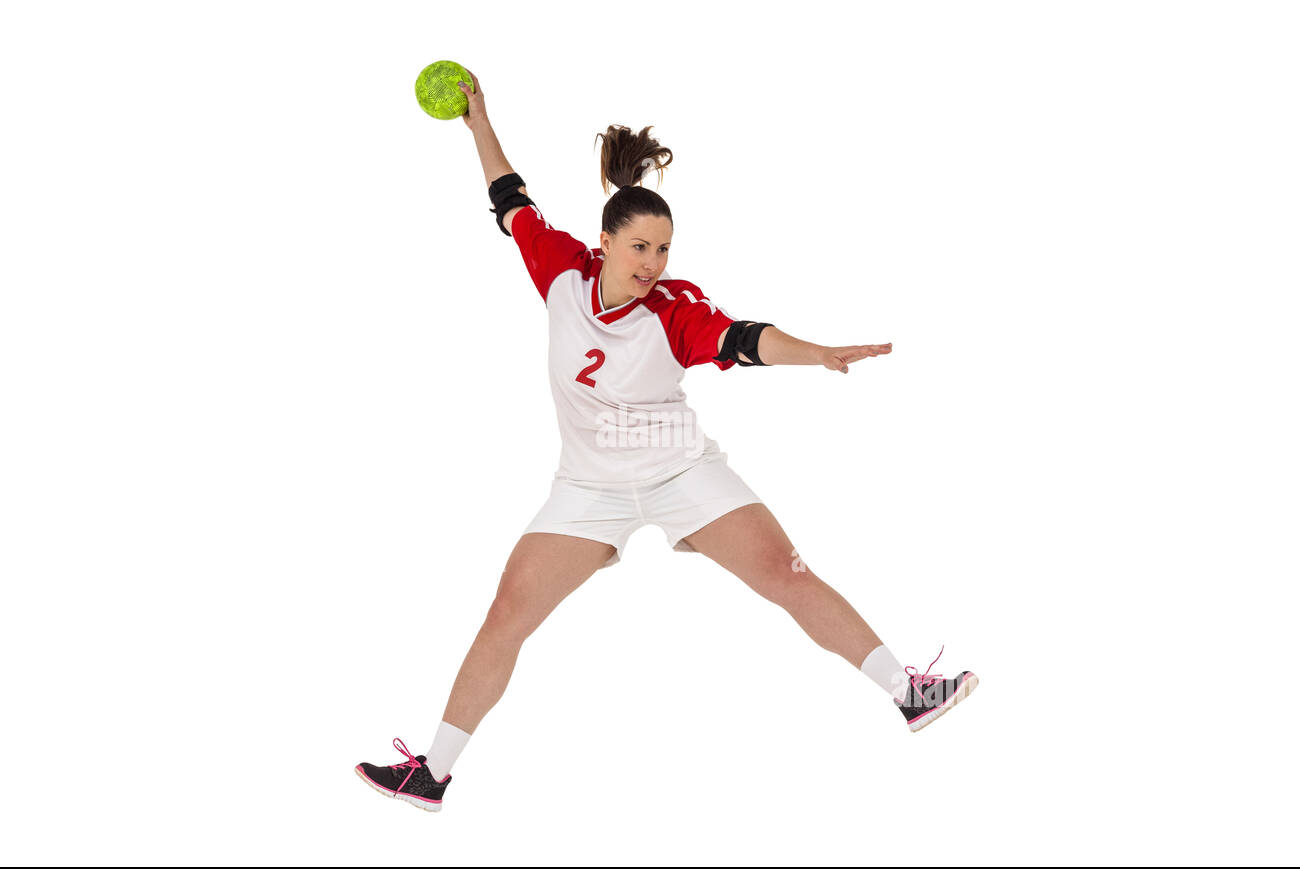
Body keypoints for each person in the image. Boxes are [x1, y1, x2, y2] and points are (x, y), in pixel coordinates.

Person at [355, 70, 978, 813]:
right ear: (606, 241)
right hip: (586, 486)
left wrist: (817, 353)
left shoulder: (673, 309)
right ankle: (432, 773)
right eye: (641, 246)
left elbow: (744, 339)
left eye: (664, 249)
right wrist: (477, 124)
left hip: (681, 470)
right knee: (506, 614)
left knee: (786, 573)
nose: (653, 263)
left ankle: (911, 694)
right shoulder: (558, 270)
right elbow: (509, 199)